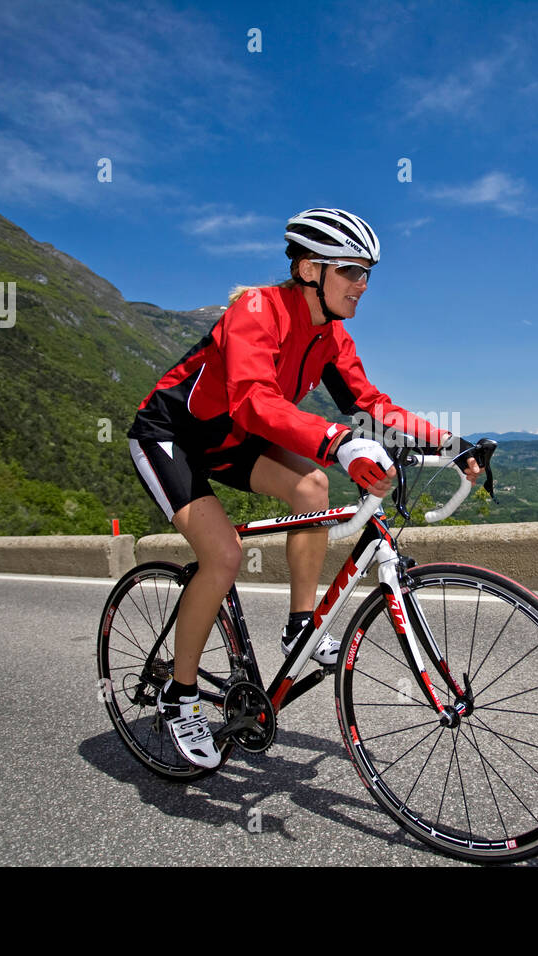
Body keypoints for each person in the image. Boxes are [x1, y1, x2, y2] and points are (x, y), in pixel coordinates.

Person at [127, 208, 482, 769]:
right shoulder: (257, 310)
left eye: (368, 273)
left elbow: (372, 404)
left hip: (234, 439)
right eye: (351, 271)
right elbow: (253, 400)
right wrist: (339, 441)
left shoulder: (331, 336)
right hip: (171, 435)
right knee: (222, 556)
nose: (363, 285)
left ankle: (300, 629)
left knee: (313, 488)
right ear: (309, 268)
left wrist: (450, 441)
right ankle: (180, 695)